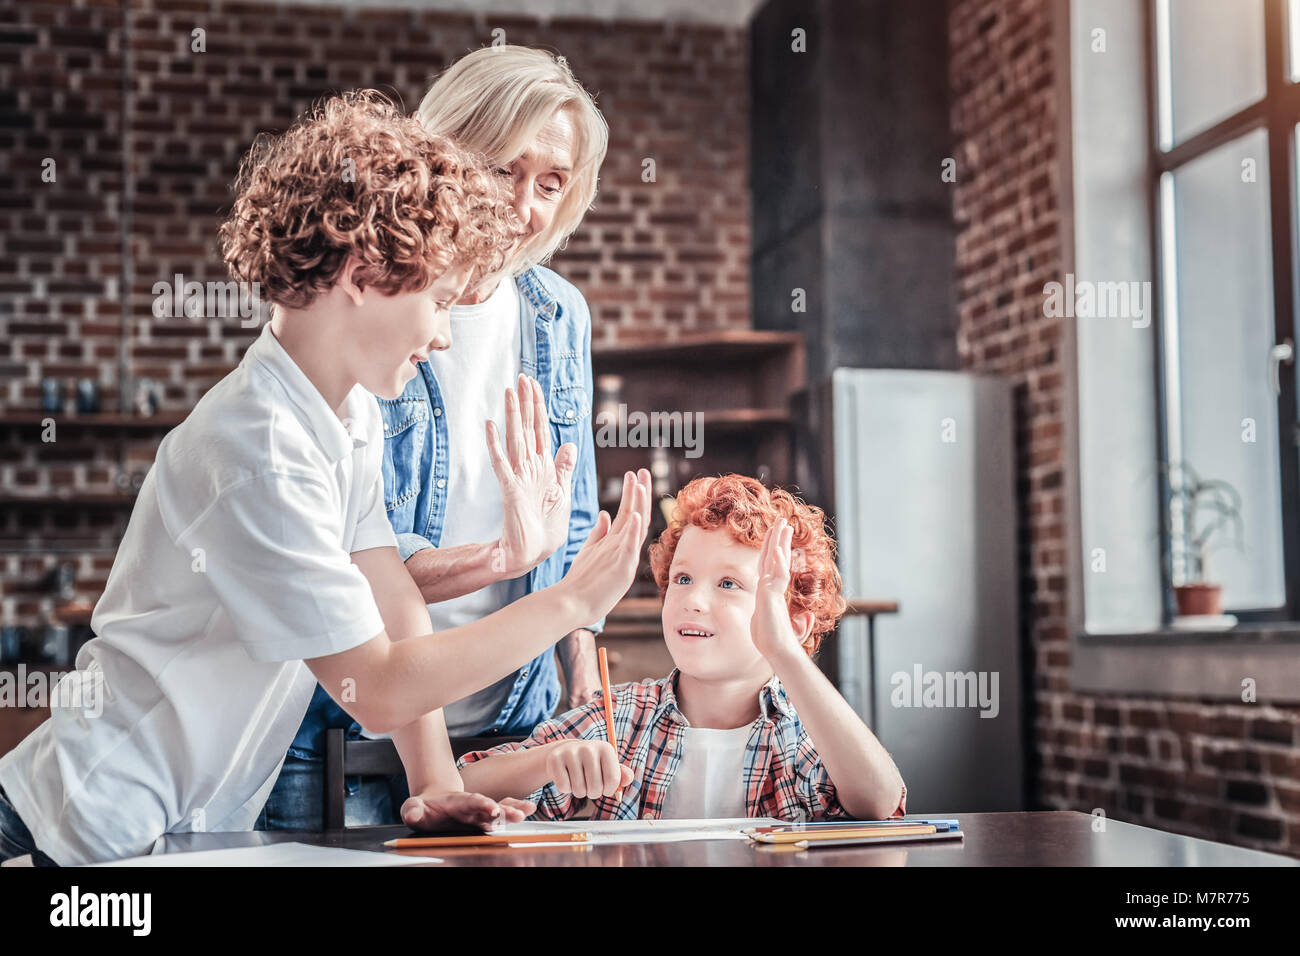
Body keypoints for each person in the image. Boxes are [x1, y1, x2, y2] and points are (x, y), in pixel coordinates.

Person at [0, 91, 650, 866]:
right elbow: (372, 685)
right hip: (78, 832)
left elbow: (391, 595)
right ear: (363, 269)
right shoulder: (261, 446)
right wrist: (569, 600)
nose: (444, 336)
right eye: (439, 301)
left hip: (174, 827)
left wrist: (436, 777)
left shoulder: (344, 415)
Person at [264, 45, 614, 828]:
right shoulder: (368, 304)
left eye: (551, 184)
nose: (525, 207)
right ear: (442, 154)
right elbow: (357, 560)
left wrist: (584, 688)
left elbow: (573, 524)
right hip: (343, 718)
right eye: (500, 170)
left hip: (513, 719)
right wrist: (500, 559)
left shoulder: (559, 315)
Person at [457, 474, 908, 821]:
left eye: (729, 583)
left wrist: (783, 651)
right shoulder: (622, 717)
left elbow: (880, 802)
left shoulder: (801, 731)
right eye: (683, 578)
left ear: (794, 622)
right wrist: (549, 760)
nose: (693, 599)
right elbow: (460, 785)